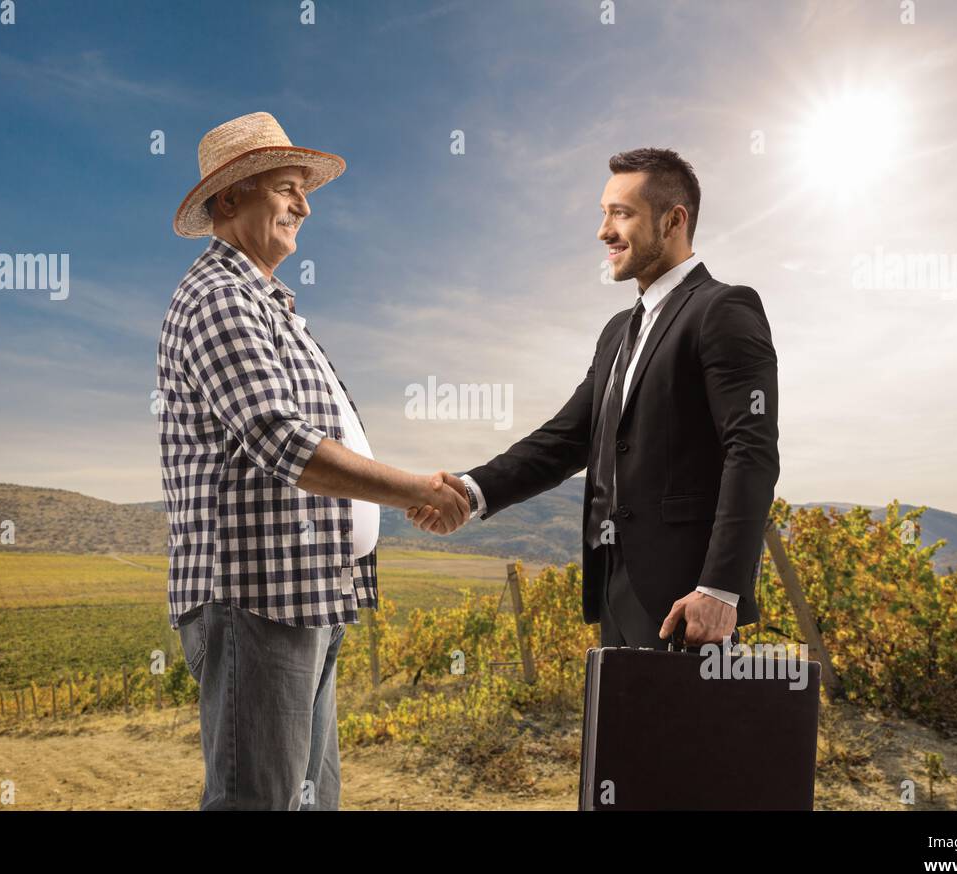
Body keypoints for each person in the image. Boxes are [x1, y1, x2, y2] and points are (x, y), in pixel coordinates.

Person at [159, 112, 467, 810]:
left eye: (305, 190)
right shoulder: (220, 298)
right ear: (230, 199)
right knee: (258, 800)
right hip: (255, 598)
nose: (305, 205)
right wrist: (413, 487)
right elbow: (280, 438)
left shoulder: (267, 303)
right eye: (288, 187)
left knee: (307, 799)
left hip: (301, 593)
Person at [409, 148, 779, 650]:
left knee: (684, 732)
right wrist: (472, 491)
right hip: (614, 588)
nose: (604, 231)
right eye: (603, 214)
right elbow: (566, 440)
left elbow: (751, 452)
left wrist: (720, 590)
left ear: (674, 220)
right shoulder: (616, 333)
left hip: (688, 605)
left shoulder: (724, 309)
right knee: (618, 731)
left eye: (621, 213)